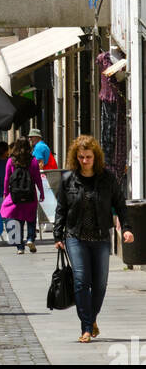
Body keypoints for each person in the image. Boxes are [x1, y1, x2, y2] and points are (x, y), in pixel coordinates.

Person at [54, 134, 133, 343]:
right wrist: (57, 235)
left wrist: (126, 228)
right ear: (75, 157)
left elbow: (120, 204)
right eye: (81, 157)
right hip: (75, 236)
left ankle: (92, 318)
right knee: (81, 281)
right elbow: (61, 209)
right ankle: (87, 327)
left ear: (95, 157)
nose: (85, 161)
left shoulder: (107, 179)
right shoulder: (67, 180)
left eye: (88, 157)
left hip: (100, 237)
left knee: (99, 285)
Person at [0, 137, 44, 254]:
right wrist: (41, 192)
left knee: (17, 220)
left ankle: (20, 247)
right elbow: (37, 178)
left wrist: (5, 193)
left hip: (15, 194)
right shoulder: (33, 161)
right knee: (31, 218)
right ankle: (30, 238)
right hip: (30, 194)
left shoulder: (11, 161)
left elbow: (6, 178)